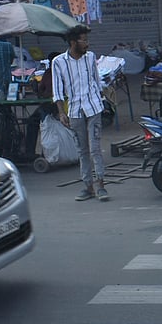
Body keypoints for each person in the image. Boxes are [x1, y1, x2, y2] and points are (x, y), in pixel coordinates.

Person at [52, 25, 109, 202]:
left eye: (86, 40)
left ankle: (101, 185)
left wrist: (103, 97)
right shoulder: (58, 62)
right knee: (82, 150)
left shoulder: (90, 57)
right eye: (83, 40)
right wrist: (62, 113)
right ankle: (88, 187)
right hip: (75, 111)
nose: (87, 44)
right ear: (73, 42)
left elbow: (96, 80)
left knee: (95, 149)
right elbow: (57, 91)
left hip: (94, 108)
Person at [24, 52, 59, 159]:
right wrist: (36, 88)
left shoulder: (63, 73)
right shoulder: (48, 73)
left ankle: (45, 153)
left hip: (59, 106)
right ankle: (29, 152)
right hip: (47, 104)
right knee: (32, 121)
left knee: (38, 121)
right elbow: (41, 90)